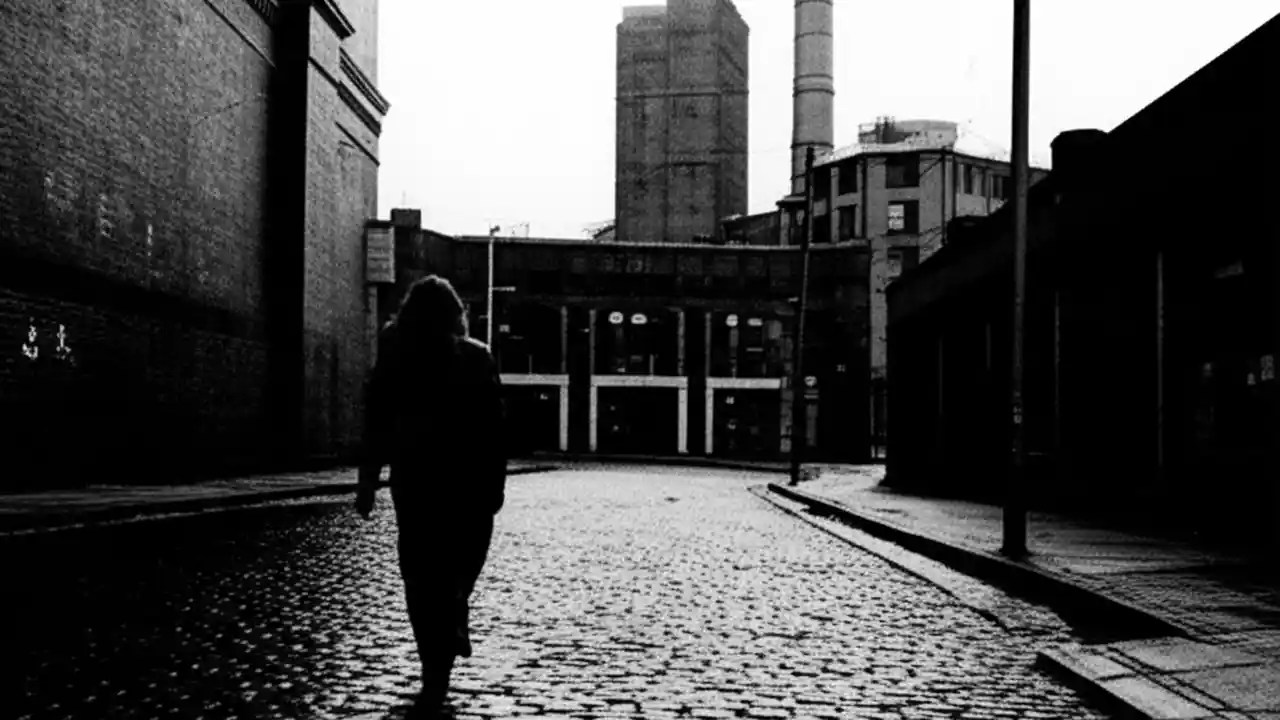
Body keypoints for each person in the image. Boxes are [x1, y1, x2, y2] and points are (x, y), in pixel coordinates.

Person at [355, 275, 507, 717]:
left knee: (420, 578)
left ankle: (432, 673)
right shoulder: (477, 357)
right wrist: (495, 485)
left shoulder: (396, 352)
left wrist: (368, 480)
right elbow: (494, 430)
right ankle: (456, 609)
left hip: (416, 480)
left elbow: (376, 418)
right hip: (468, 486)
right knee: (461, 567)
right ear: (456, 314)